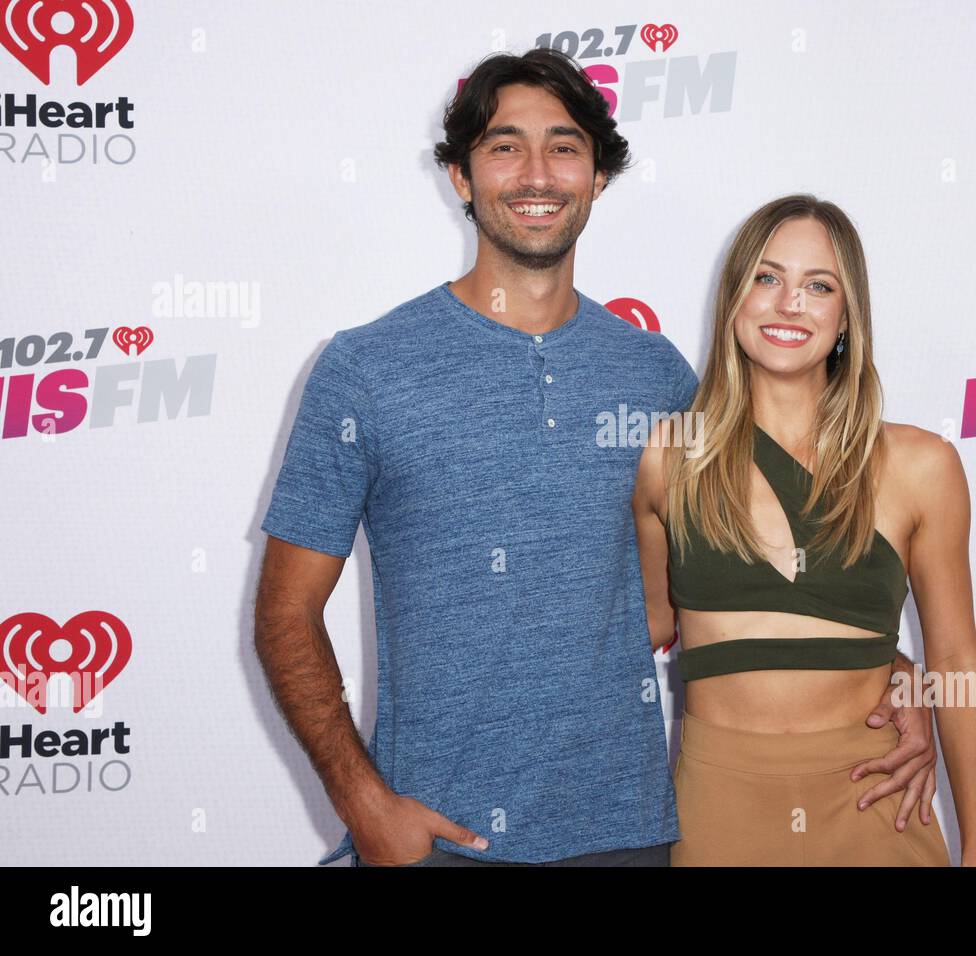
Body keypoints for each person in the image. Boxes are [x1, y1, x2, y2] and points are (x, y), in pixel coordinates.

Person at [252, 46, 938, 868]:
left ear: (598, 178)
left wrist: (893, 673)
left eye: (565, 146)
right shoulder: (365, 369)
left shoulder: (658, 378)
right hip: (435, 836)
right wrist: (365, 806)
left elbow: (742, 580)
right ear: (461, 177)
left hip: (628, 836)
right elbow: (284, 616)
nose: (536, 171)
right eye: (505, 146)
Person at [633, 194, 976, 866]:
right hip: (717, 807)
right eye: (766, 278)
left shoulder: (922, 465)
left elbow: (957, 660)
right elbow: (644, 628)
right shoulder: (668, 457)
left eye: (818, 286)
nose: (788, 303)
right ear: (733, 299)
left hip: (877, 801)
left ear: (846, 318)